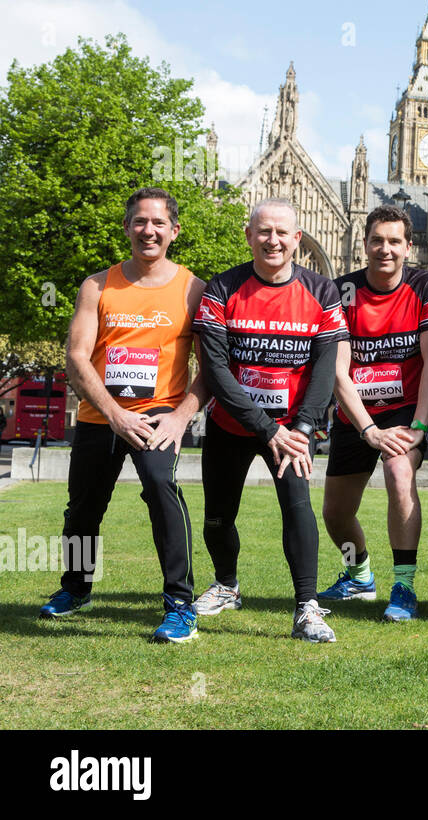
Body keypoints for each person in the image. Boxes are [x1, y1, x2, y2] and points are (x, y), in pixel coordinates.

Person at [40, 187, 207, 643]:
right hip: (101, 415)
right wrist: (113, 414)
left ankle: (179, 605)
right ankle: (75, 590)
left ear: (174, 231)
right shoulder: (97, 285)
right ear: (127, 228)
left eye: (157, 223)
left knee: (160, 487)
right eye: (139, 221)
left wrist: (180, 416)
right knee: (82, 509)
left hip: (158, 414)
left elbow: (211, 367)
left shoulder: (194, 289)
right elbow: (76, 357)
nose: (148, 230)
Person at [192, 198, 349, 642]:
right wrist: (266, 428)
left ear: (297, 239)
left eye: (282, 232)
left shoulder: (322, 291)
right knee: (218, 515)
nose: (273, 240)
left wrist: (301, 430)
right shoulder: (221, 289)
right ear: (249, 236)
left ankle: (307, 608)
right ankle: (226, 585)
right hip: (233, 423)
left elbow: (325, 368)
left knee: (297, 508)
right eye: (263, 231)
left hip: (293, 428)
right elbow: (216, 371)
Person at [317, 206, 428, 622]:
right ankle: (359, 575)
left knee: (398, 472)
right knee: (335, 513)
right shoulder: (341, 291)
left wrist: (421, 428)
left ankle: (403, 586)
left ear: (409, 246)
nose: (385, 249)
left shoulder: (424, 285)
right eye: (377, 241)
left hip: (407, 410)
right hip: (356, 414)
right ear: (365, 243)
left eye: (394, 242)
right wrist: (367, 429)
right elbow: (338, 369)